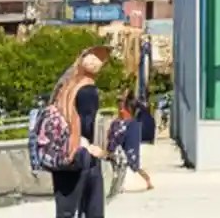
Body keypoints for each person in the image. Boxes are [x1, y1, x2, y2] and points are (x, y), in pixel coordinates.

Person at [50, 46, 111, 218]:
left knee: (65, 211)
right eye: (93, 57)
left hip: (61, 151)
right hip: (80, 153)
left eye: (100, 59)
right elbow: (86, 122)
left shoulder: (64, 86)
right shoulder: (88, 90)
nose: (96, 61)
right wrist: (90, 146)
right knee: (93, 208)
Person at [108, 91, 154, 191]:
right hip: (125, 130)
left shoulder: (129, 111)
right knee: (119, 162)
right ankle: (119, 185)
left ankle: (147, 180)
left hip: (129, 131)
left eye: (121, 102)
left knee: (133, 162)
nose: (119, 106)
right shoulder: (121, 116)